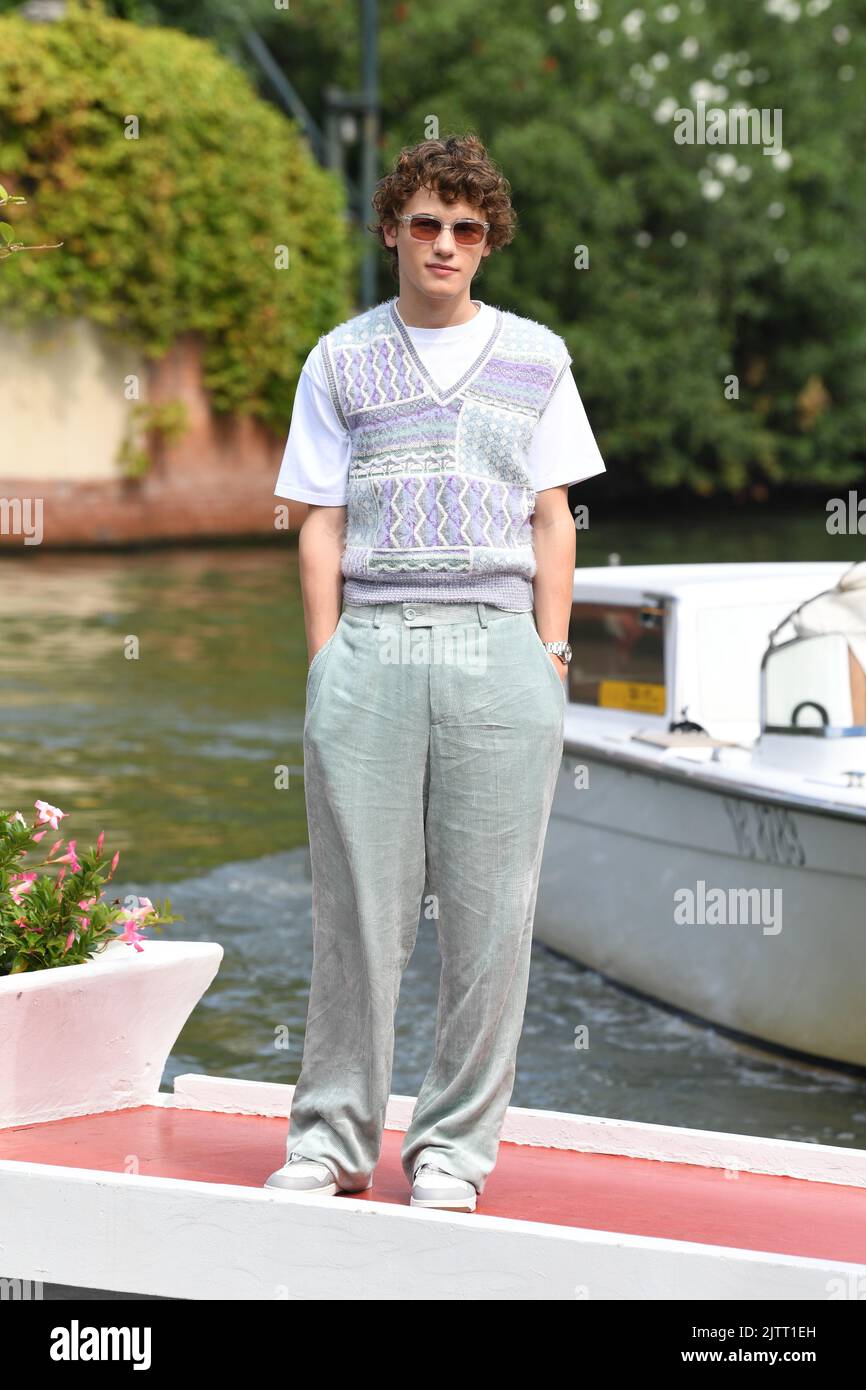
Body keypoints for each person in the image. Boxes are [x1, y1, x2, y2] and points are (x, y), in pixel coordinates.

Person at [264, 133, 606, 1213]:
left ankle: (451, 1155)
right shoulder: (338, 357)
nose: (444, 243)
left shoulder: (538, 357)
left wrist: (548, 654)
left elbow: (552, 520)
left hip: (498, 643)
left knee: (489, 918)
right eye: (425, 224)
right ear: (392, 232)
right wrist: (326, 662)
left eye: (465, 228)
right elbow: (317, 521)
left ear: (488, 241)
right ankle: (327, 1143)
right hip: (372, 640)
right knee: (355, 913)